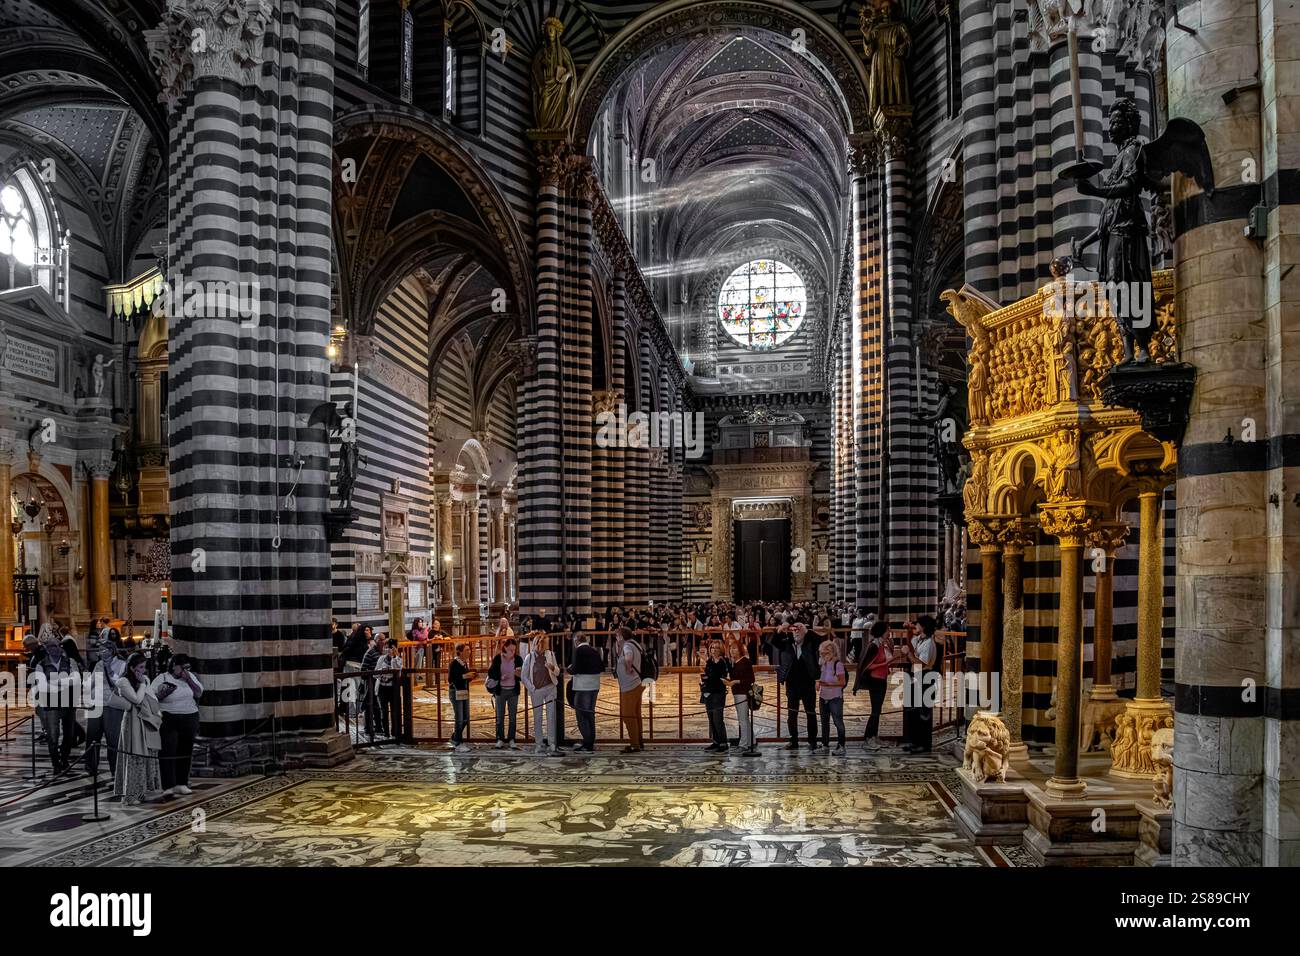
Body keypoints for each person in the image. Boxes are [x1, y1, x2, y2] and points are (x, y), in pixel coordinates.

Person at [30, 628, 81, 774]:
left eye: (57, 646)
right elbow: (43, 686)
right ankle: (55, 762)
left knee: (69, 735)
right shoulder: (41, 665)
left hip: (68, 703)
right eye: (51, 646)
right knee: (53, 736)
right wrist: (65, 682)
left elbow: (76, 679)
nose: (54, 649)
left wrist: (56, 682)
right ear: (46, 648)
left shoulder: (69, 661)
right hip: (51, 704)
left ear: (60, 647)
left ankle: (64, 759)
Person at [113, 653, 162, 805]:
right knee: (134, 755)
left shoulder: (145, 679)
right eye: (140, 667)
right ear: (132, 667)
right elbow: (136, 699)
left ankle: (142, 791)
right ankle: (129, 795)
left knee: (145, 756)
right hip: (132, 722)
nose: (143, 670)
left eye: (144, 667)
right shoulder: (123, 681)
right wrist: (142, 684)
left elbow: (151, 698)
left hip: (145, 720)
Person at [151, 653, 203, 795]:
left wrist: (189, 680)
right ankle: (168, 785)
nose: (185, 671)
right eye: (182, 668)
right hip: (168, 718)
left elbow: (198, 693)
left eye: (187, 667)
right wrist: (163, 694)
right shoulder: (161, 678)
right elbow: (152, 696)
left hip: (189, 716)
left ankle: (182, 783)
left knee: (185, 750)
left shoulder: (190, 677)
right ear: (174, 666)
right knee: (168, 750)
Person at [85, 635, 128, 776]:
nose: (101, 653)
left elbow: (119, 684)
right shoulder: (98, 664)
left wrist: (109, 669)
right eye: (100, 650)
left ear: (111, 651)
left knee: (113, 738)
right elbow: (91, 682)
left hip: (112, 704)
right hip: (96, 704)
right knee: (92, 736)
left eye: (104, 650)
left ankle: (115, 769)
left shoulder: (121, 664)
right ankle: (91, 767)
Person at [776, 621, 819, 750]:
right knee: (792, 714)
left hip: (808, 684)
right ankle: (793, 740)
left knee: (810, 713)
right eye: (794, 630)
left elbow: (818, 638)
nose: (796, 632)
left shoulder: (810, 644)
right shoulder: (788, 643)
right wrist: (781, 630)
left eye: (799, 630)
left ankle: (813, 741)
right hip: (792, 684)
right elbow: (774, 642)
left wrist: (805, 629)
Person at [900, 615, 939, 754]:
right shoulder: (920, 640)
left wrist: (909, 654)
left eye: (917, 624)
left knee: (924, 713)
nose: (915, 625)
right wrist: (908, 630)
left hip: (926, 678)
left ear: (923, 627)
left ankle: (924, 744)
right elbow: (911, 643)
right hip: (916, 677)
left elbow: (920, 664)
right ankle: (914, 742)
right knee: (914, 712)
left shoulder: (929, 643)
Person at [853, 620, 894, 749]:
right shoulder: (873, 646)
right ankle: (868, 738)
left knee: (878, 710)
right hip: (875, 681)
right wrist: (884, 664)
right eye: (887, 630)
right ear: (881, 632)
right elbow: (868, 666)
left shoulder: (882, 644)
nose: (889, 632)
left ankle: (874, 737)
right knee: (875, 711)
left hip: (882, 680)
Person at [521, 633, 561, 754]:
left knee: (551, 716)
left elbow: (557, 672)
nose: (548, 645)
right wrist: (531, 688)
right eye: (546, 643)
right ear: (540, 644)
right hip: (536, 690)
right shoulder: (530, 657)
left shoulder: (550, 654)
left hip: (550, 688)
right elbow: (524, 675)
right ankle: (539, 743)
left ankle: (552, 743)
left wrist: (552, 668)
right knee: (538, 717)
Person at [723, 639, 759, 756]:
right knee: (744, 719)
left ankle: (743, 745)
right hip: (737, 692)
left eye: (734, 648)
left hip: (743, 693)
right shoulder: (734, 662)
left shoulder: (745, 661)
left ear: (740, 649)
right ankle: (751, 740)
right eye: (731, 648)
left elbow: (750, 679)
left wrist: (735, 682)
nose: (732, 651)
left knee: (742, 720)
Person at [568, 632, 602, 752]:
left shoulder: (578, 651)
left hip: (583, 687)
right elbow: (601, 666)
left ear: (576, 641)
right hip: (595, 685)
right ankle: (590, 742)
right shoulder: (594, 650)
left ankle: (587, 744)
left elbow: (575, 668)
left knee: (582, 715)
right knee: (590, 715)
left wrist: (569, 669)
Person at [487, 638, 523, 749]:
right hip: (501, 690)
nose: (512, 651)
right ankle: (500, 738)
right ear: (505, 648)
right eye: (510, 649)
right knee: (500, 716)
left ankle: (512, 739)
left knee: (513, 716)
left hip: (513, 691)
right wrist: (500, 677)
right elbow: (491, 672)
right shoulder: (498, 658)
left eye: (514, 649)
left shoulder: (518, 659)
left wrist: (519, 675)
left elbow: (523, 674)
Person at [614, 625, 644, 753]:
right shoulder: (635, 643)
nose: (616, 638)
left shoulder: (627, 646)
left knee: (628, 716)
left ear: (621, 636)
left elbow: (628, 656)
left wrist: (628, 667)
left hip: (629, 686)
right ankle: (639, 741)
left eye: (617, 635)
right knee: (636, 714)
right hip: (637, 683)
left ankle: (634, 744)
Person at [816, 640, 848, 755]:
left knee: (838, 721)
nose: (824, 655)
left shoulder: (838, 664)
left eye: (826, 652)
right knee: (824, 722)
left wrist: (830, 684)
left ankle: (841, 746)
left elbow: (842, 682)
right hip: (823, 697)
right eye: (822, 653)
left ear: (833, 652)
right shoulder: (823, 663)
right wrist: (819, 683)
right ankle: (825, 744)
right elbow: (821, 677)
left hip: (835, 697)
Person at [701, 640, 731, 752]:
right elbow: (707, 674)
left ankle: (723, 742)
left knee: (718, 718)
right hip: (708, 692)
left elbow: (719, 677)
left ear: (721, 650)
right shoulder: (710, 661)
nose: (714, 650)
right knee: (711, 718)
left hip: (718, 692)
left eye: (716, 648)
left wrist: (709, 677)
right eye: (712, 648)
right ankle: (715, 741)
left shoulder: (723, 662)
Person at [448, 644, 477, 753]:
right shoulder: (455, 663)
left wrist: (470, 677)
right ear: (459, 651)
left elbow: (463, 679)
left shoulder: (464, 663)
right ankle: (457, 742)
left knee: (465, 717)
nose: (469, 652)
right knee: (459, 718)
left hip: (463, 691)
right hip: (456, 692)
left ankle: (456, 737)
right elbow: (451, 679)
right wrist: (465, 676)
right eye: (466, 650)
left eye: (469, 649)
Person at [374, 637, 403, 739]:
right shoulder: (381, 658)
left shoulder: (398, 659)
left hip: (393, 688)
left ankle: (395, 732)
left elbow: (397, 670)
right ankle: (386, 732)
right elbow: (375, 673)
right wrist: (382, 671)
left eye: (390, 647)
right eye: (386, 647)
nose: (388, 649)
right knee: (384, 711)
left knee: (395, 711)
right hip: (382, 687)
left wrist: (394, 657)